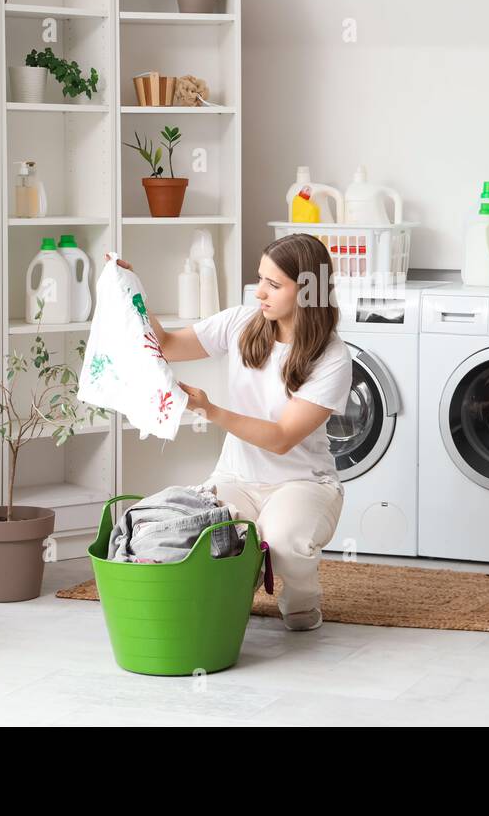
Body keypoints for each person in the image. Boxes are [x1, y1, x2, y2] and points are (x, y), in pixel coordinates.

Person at [114, 233, 352, 630]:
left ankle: (300, 604)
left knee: (281, 541)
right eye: (260, 279)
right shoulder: (241, 322)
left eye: (273, 285)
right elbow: (169, 344)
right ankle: (239, 589)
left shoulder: (332, 357)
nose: (260, 292)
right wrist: (132, 292)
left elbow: (280, 438)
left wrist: (209, 409)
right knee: (195, 533)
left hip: (303, 483)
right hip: (236, 478)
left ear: (308, 289)